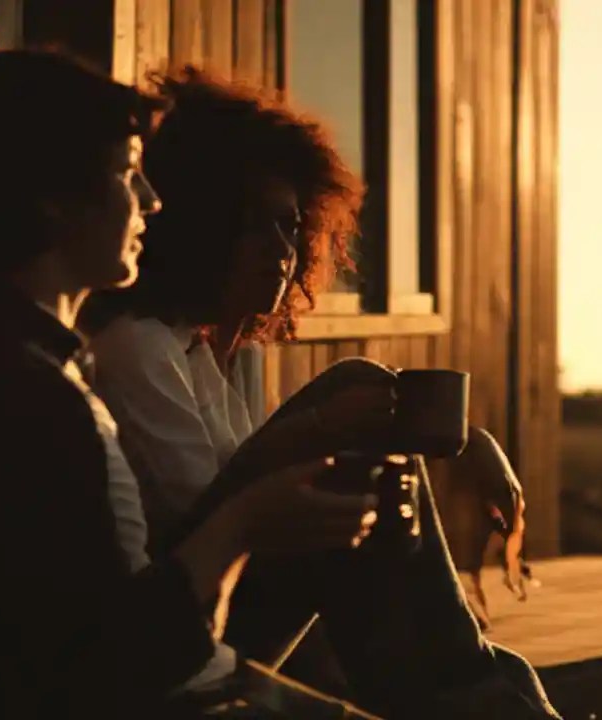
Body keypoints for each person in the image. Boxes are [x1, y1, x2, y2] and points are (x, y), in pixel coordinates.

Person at [0, 50, 381, 718]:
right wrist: (244, 523)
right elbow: (126, 666)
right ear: (56, 203)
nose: (151, 199)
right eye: (126, 172)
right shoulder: (26, 394)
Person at [82, 67, 559, 718]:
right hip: (182, 633)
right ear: (204, 226)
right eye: (257, 226)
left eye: (292, 227)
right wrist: (318, 434)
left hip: (246, 606)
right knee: (356, 388)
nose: (282, 249)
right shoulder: (137, 346)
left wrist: (469, 438)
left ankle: (470, 683)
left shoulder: (224, 354)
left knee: (484, 661)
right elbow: (211, 531)